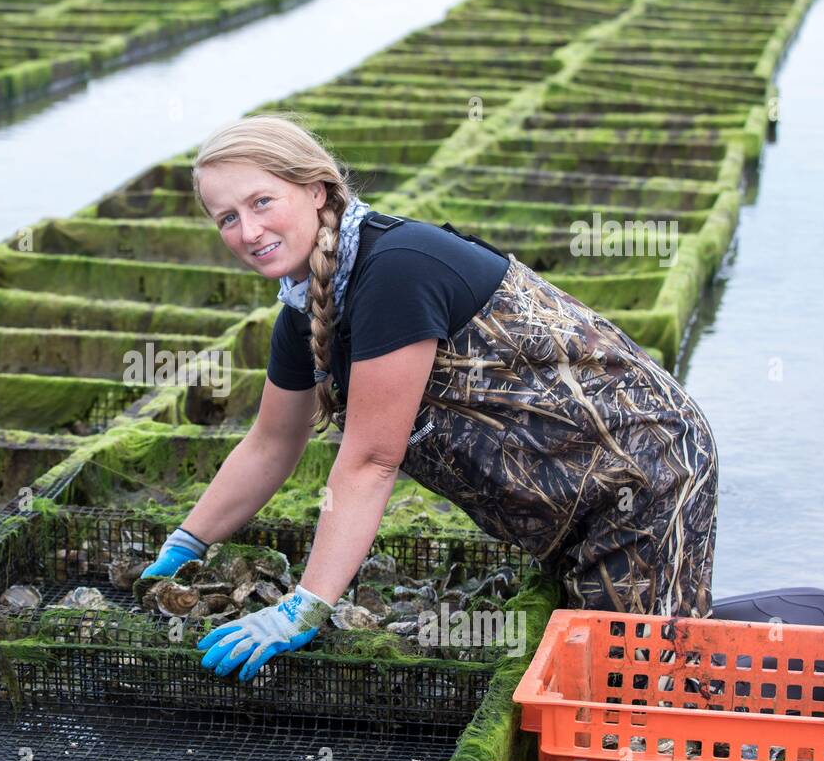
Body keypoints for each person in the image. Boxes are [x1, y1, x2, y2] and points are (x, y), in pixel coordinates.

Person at [139, 113, 719, 682]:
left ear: (316, 189)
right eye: (227, 218)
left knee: (644, 685)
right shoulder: (303, 310)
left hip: (643, 475)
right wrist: (185, 544)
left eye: (262, 202)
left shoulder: (396, 272)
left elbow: (371, 460)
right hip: (558, 506)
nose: (247, 231)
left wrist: (306, 605)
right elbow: (270, 445)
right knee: (591, 670)